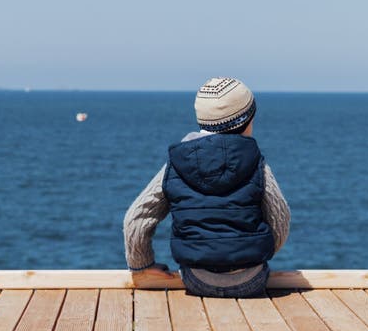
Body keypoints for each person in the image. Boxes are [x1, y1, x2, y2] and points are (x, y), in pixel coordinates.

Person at [123, 77, 290, 298]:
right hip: (252, 279)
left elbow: (136, 219)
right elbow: (281, 217)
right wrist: (257, 252)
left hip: (196, 280)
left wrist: (142, 265)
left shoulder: (177, 163)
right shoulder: (256, 162)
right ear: (247, 120)